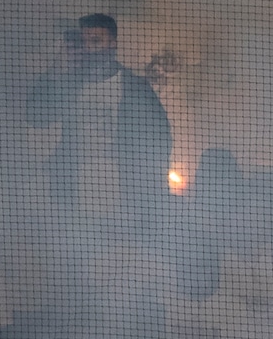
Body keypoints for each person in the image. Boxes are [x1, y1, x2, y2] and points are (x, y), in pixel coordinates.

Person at [23, 13, 174, 220]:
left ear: (112, 44)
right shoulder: (69, 82)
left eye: (96, 41)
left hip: (121, 196)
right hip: (72, 191)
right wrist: (57, 71)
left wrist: (148, 187)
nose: (89, 48)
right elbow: (36, 116)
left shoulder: (134, 88)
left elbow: (160, 137)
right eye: (85, 42)